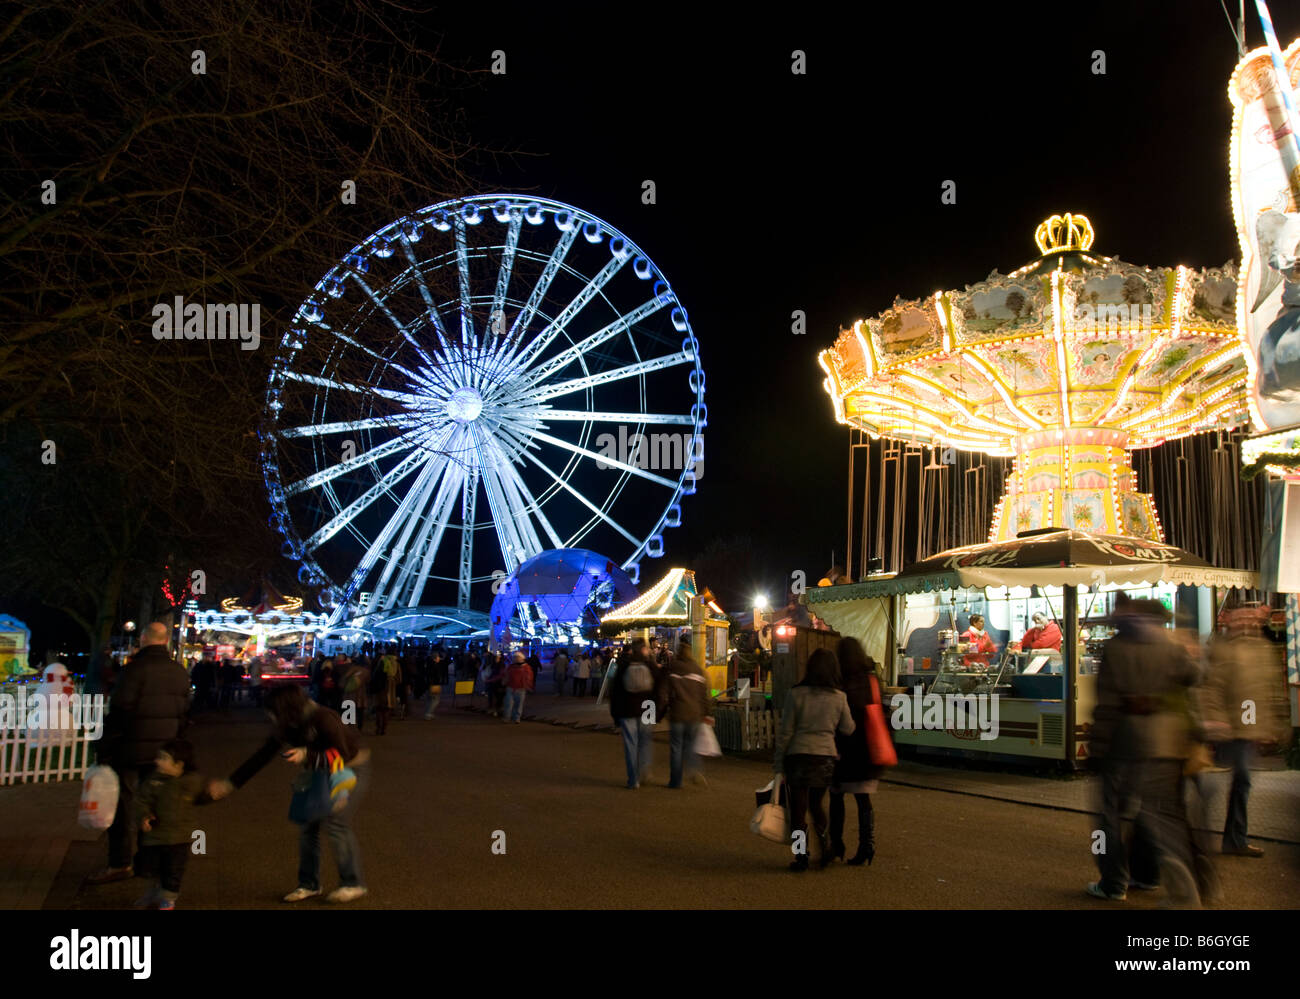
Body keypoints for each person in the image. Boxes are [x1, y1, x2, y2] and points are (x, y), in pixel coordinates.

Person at [1087, 596, 1203, 905]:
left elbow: (1107, 704)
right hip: (1166, 742)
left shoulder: (1115, 647)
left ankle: (1112, 881)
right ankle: (1151, 876)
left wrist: (1096, 748)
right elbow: (1194, 678)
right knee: (1153, 812)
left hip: (1123, 741)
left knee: (1108, 816)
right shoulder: (1170, 645)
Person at [208, 684, 368, 903]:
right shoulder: (289, 724)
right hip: (318, 771)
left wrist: (306, 755)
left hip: (348, 769)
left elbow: (342, 753)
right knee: (307, 825)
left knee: (336, 822)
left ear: (286, 709)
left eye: (272, 713)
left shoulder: (323, 718)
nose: (270, 718)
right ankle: (309, 884)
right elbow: (263, 755)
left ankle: (353, 883)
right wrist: (229, 784)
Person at [85, 621, 192, 886]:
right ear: (166, 641)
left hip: (130, 749)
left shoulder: (132, 671)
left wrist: (105, 746)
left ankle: (120, 862)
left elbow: (119, 712)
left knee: (123, 806)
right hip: (162, 753)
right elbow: (184, 713)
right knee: (154, 806)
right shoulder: (179, 672)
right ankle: (148, 862)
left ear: (144, 639)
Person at [1200, 615, 1280, 858]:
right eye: (1242, 620)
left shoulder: (1262, 649)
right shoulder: (1224, 649)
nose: (1247, 624)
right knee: (1238, 778)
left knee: (1240, 781)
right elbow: (1213, 686)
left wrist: (1268, 725)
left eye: (1252, 620)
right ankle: (1229, 837)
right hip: (1231, 726)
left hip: (1247, 727)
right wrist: (1215, 718)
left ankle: (1234, 838)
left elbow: (1265, 689)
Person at [773, 648, 855, 871]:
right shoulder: (839, 697)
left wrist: (778, 763)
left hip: (798, 756)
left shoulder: (796, 694)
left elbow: (786, 732)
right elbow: (849, 728)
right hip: (825, 758)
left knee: (798, 811)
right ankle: (825, 842)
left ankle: (801, 856)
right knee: (817, 805)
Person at [133, 738, 213, 909]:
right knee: (151, 867)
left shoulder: (191, 782)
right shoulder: (153, 780)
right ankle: (154, 891)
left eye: (163, 758)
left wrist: (213, 792)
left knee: (173, 870)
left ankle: (168, 899)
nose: (157, 761)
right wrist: (144, 815)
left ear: (179, 765)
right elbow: (141, 800)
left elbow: (202, 797)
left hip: (179, 837)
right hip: (155, 836)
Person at [828, 637, 886, 866]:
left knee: (836, 796)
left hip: (845, 747)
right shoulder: (872, 679)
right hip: (869, 748)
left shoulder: (840, 682)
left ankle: (836, 844)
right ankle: (867, 845)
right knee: (863, 800)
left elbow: (839, 719)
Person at [609, 638, 664, 789]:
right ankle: (645, 772)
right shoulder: (650, 665)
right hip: (648, 707)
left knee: (630, 744)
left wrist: (615, 715)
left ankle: (633, 780)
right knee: (646, 741)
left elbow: (615, 692)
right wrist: (658, 711)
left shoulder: (624, 665)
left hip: (627, 708)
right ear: (644, 650)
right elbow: (659, 688)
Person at [665, 640, 713, 789]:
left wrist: (655, 714)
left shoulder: (673, 668)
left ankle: (675, 781)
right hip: (694, 714)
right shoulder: (698, 670)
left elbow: (664, 693)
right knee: (691, 745)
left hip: (678, 714)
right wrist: (707, 713)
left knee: (676, 748)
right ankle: (694, 770)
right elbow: (704, 695)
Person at [371, 647, 401, 735]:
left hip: (380, 686)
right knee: (386, 709)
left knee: (379, 708)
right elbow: (399, 678)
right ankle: (384, 728)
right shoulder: (396, 663)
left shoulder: (382, 661)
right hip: (391, 687)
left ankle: (378, 727)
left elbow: (375, 674)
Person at [503, 651, 534, 723]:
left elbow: (529, 677)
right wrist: (504, 682)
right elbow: (506, 675)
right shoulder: (511, 666)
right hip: (511, 687)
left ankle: (516, 718)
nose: (514, 659)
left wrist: (528, 685)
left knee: (518, 704)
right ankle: (507, 717)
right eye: (514, 657)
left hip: (521, 688)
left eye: (516, 657)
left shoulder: (526, 667)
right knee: (508, 704)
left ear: (521, 658)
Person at [424, 651, 448, 719]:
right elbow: (437, 675)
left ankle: (428, 713)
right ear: (435, 658)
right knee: (435, 700)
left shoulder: (428, 664)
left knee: (429, 699)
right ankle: (429, 713)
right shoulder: (435, 665)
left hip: (429, 684)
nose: (439, 659)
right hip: (434, 684)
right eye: (438, 657)